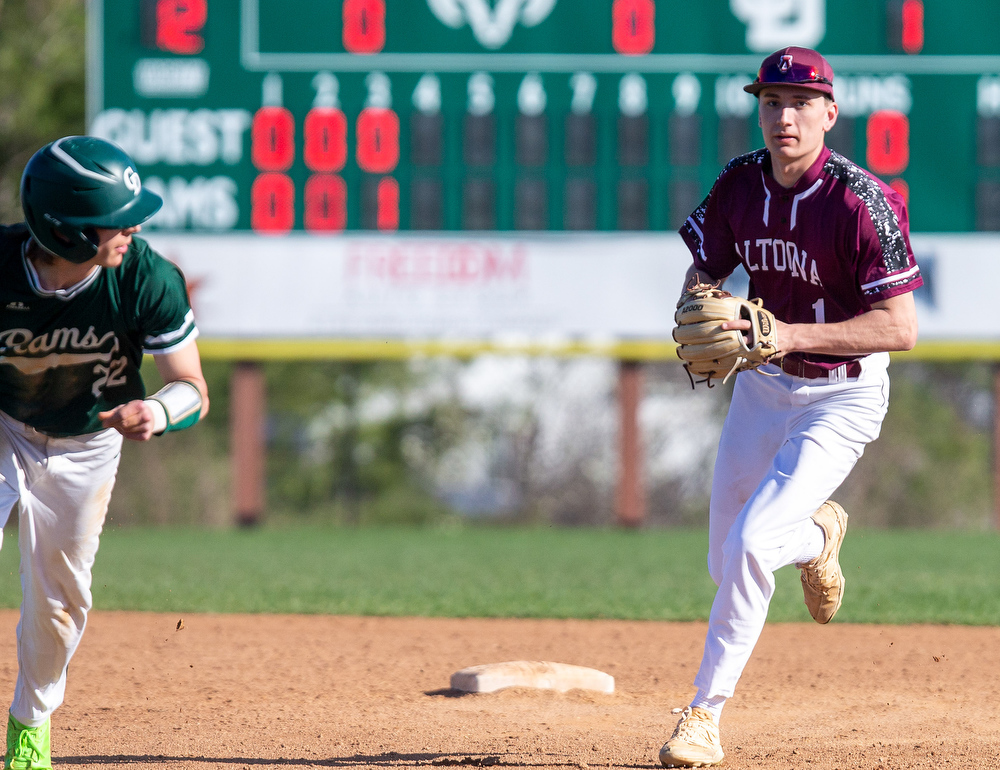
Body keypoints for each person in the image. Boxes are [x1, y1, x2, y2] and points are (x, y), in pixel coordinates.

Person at [659, 47, 921, 767]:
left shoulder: (860, 201)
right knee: (726, 561)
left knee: (750, 545)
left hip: (843, 393)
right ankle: (815, 539)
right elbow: (705, 267)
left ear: (829, 114)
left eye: (802, 103)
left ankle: (703, 715)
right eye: (772, 101)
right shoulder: (741, 183)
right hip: (763, 386)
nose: (785, 116)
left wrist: (792, 334)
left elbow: (900, 327)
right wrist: (699, 303)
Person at [0, 135, 209, 769]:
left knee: (60, 606)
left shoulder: (146, 277)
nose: (133, 228)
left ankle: (30, 723)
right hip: (4, 424)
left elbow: (193, 388)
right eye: (115, 220)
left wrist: (158, 411)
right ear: (64, 230)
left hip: (88, 442)